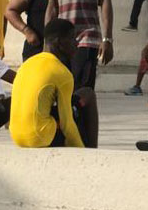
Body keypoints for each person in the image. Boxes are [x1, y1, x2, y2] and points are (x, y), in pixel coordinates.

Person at [9, 18, 91, 148]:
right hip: (39, 138)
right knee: (87, 96)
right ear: (59, 43)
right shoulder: (62, 72)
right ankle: (91, 149)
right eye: (72, 38)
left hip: (16, 137)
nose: (76, 43)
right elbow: (67, 123)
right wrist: (81, 150)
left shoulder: (27, 64)